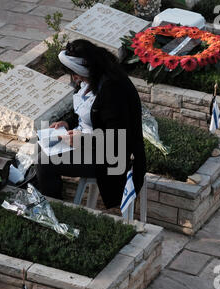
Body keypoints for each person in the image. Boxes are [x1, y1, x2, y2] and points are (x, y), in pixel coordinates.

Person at [36, 39, 147, 209]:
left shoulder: (112, 89)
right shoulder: (94, 78)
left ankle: (53, 211)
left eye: (75, 73)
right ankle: (53, 200)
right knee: (41, 148)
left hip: (110, 156)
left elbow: (118, 138)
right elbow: (86, 113)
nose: (74, 78)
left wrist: (84, 140)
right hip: (91, 142)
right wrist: (67, 123)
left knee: (46, 163)